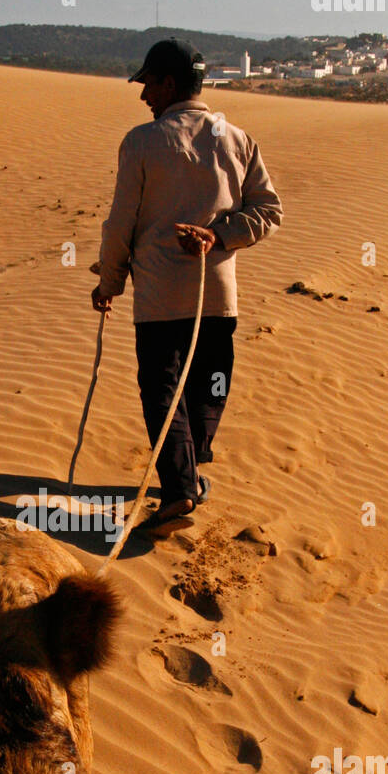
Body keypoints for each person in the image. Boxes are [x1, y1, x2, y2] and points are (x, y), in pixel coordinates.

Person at [91, 37, 283, 524]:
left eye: (149, 84)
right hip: (216, 299)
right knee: (211, 384)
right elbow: (267, 212)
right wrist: (220, 236)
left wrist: (109, 283)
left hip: (159, 301)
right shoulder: (236, 139)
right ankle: (190, 471)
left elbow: (121, 223)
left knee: (162, 390)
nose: (143, 96)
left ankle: (179, 486)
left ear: (170, 84)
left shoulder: (141, 142)